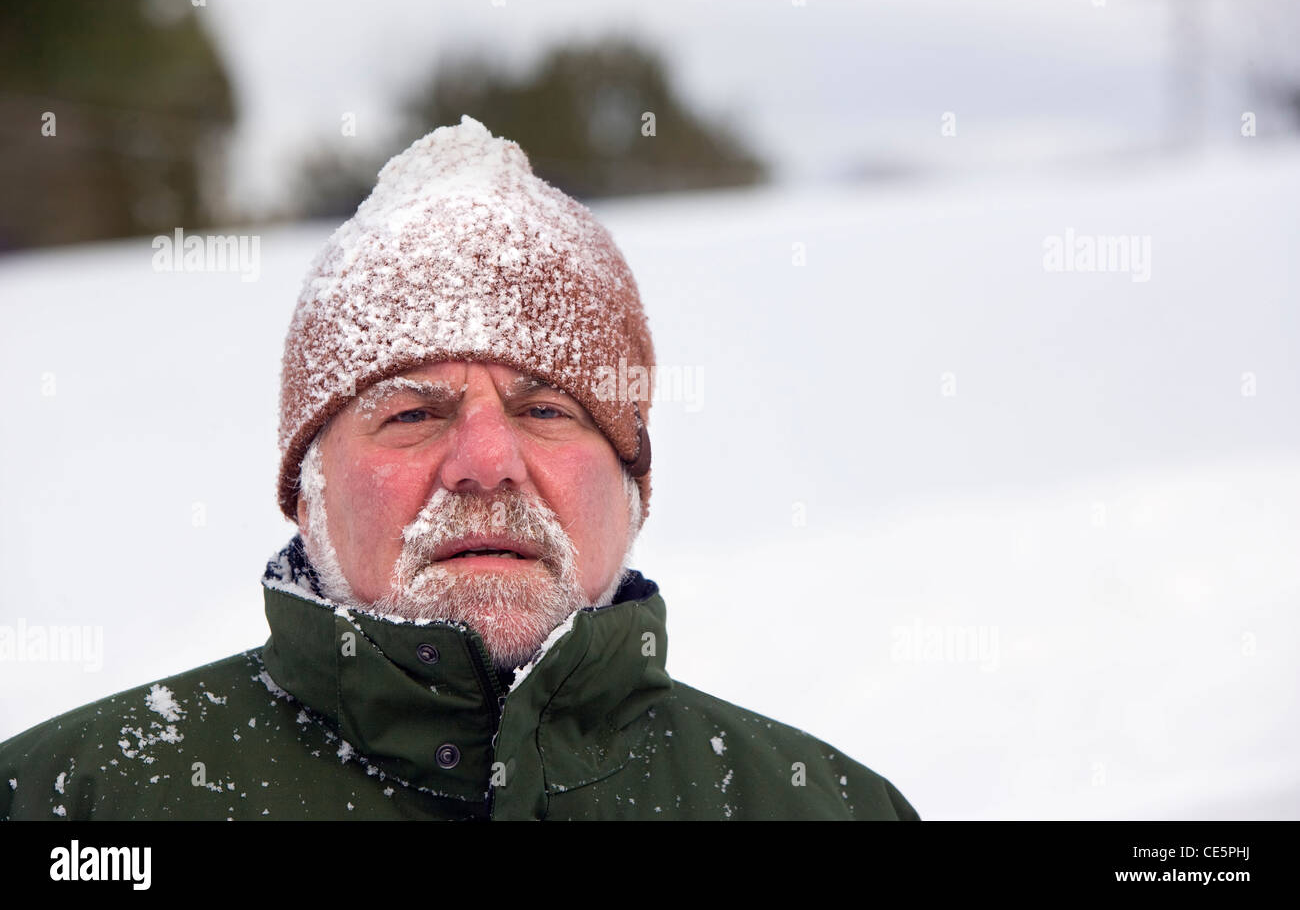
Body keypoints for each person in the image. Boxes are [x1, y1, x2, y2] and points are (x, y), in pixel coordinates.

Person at [0, 116, 919, 820]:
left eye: (546, 410)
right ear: (307, 492)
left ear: (633, 487)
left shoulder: (825, 809)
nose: (485, 464)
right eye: (411, 414)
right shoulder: (72, 805)